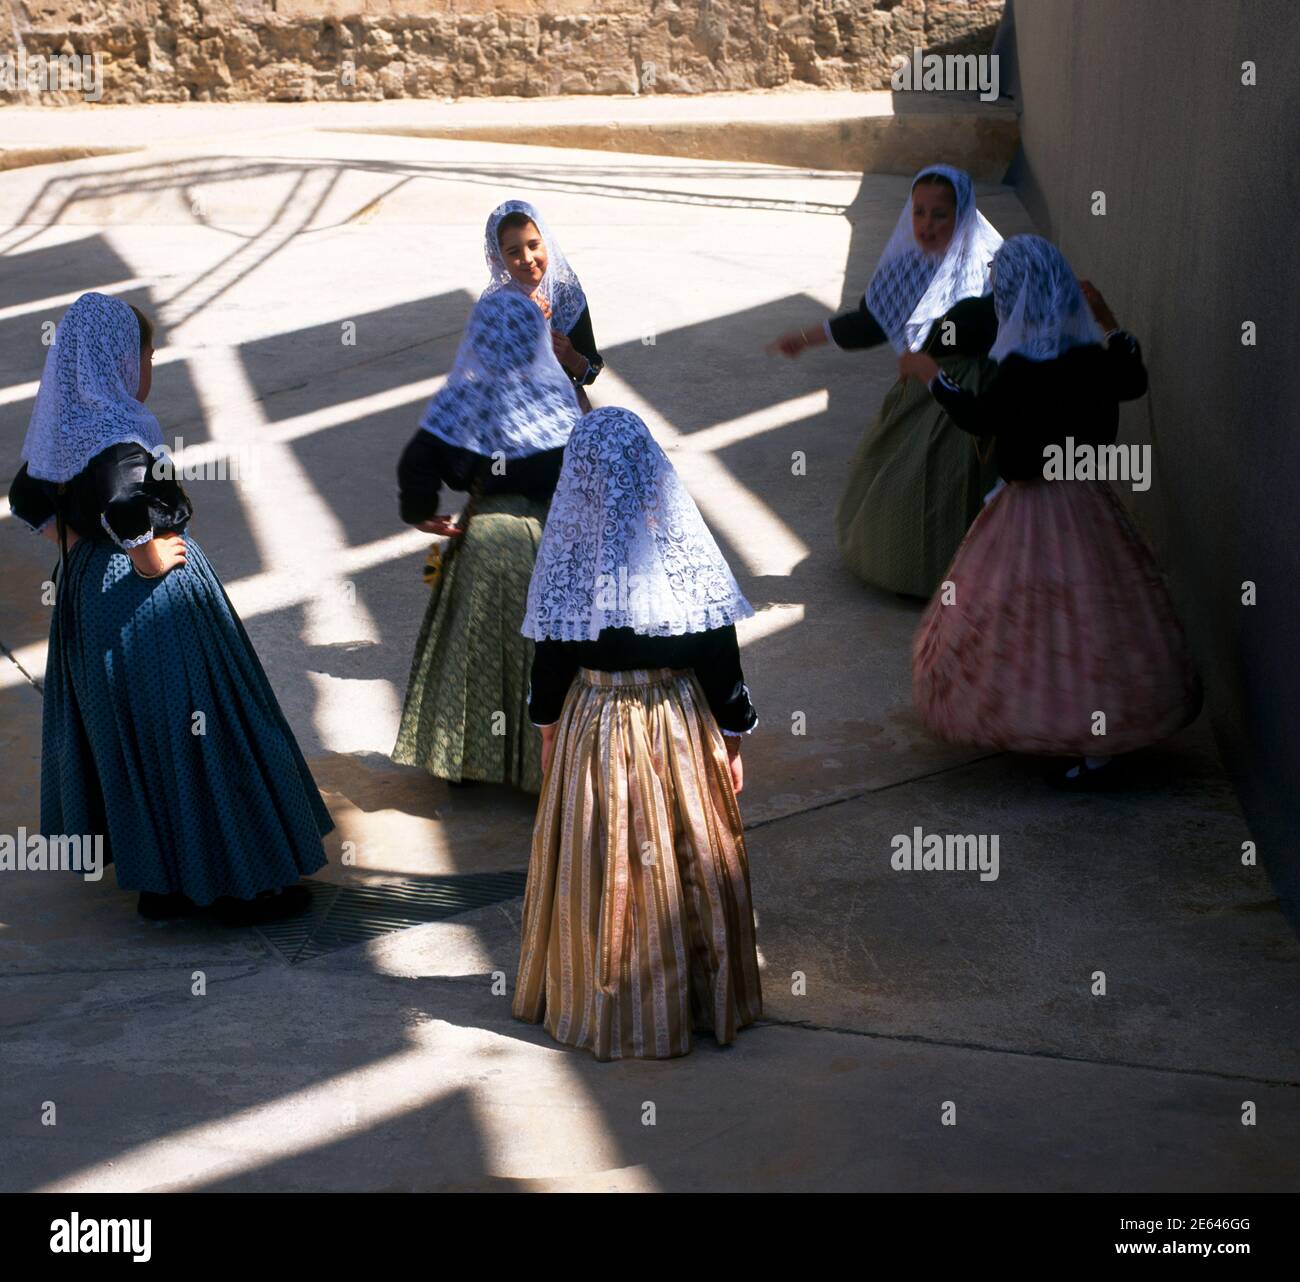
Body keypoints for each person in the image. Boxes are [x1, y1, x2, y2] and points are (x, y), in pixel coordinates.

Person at [7, 292, 330, 922]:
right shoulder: (122, 434)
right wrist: (144, 553)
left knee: (131, 735)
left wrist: (75, 544)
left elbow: (26, 496)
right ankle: (227, 885)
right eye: (146, 354)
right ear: (124, 360)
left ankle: (160, 880)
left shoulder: (60, 430)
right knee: (197, 728)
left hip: (85, 601)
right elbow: (128, 501)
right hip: (145, 603)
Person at [899, 235, 1202, 786]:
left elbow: (981, 417)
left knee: (1026, 611)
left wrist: (931, 376)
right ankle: (1100, 738)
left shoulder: (1022, 368)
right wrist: (1108, 321)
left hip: (1034, 506)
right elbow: (1132, 379)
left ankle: (1046, 719)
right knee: (1093, 615)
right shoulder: (1089, 355)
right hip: (1088, 503)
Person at [512, 406, 762, 1061]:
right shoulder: (682, 549)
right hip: (674, 720)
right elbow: (718, 655)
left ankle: (603, 1001)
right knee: (688, 857)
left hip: (595, 722)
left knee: (600, 860)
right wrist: (733, 734)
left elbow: (552, 657)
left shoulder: (567, 552)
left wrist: (547, 729)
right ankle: (693, 998)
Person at [769, 164, 1003, 597]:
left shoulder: (994, 270)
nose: (927, 225)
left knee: (963, 488)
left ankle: (969, 580)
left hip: (975, 398)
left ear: (963, 215)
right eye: (919, 212)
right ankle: (915, 571)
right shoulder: (908, 269)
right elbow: (868, 324)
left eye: (940, 214)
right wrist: (803, 338)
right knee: (906, 484)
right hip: (920, 394)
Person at [392, 290, 584, 792]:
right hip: (549, 543)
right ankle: (543, 771)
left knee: (474, 655)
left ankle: (468, 765)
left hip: (482, 542)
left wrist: (423, 514)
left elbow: (416, 464)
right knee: (544, 656)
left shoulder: (462, 397)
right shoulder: (556, 397)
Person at [482, 199, 604, 411]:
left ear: (546, 242)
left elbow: (591, 368)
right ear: (498, 258)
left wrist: (573, 358)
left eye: (533, 245)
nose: (527, 258)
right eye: (514, 252)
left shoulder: (568, 299)